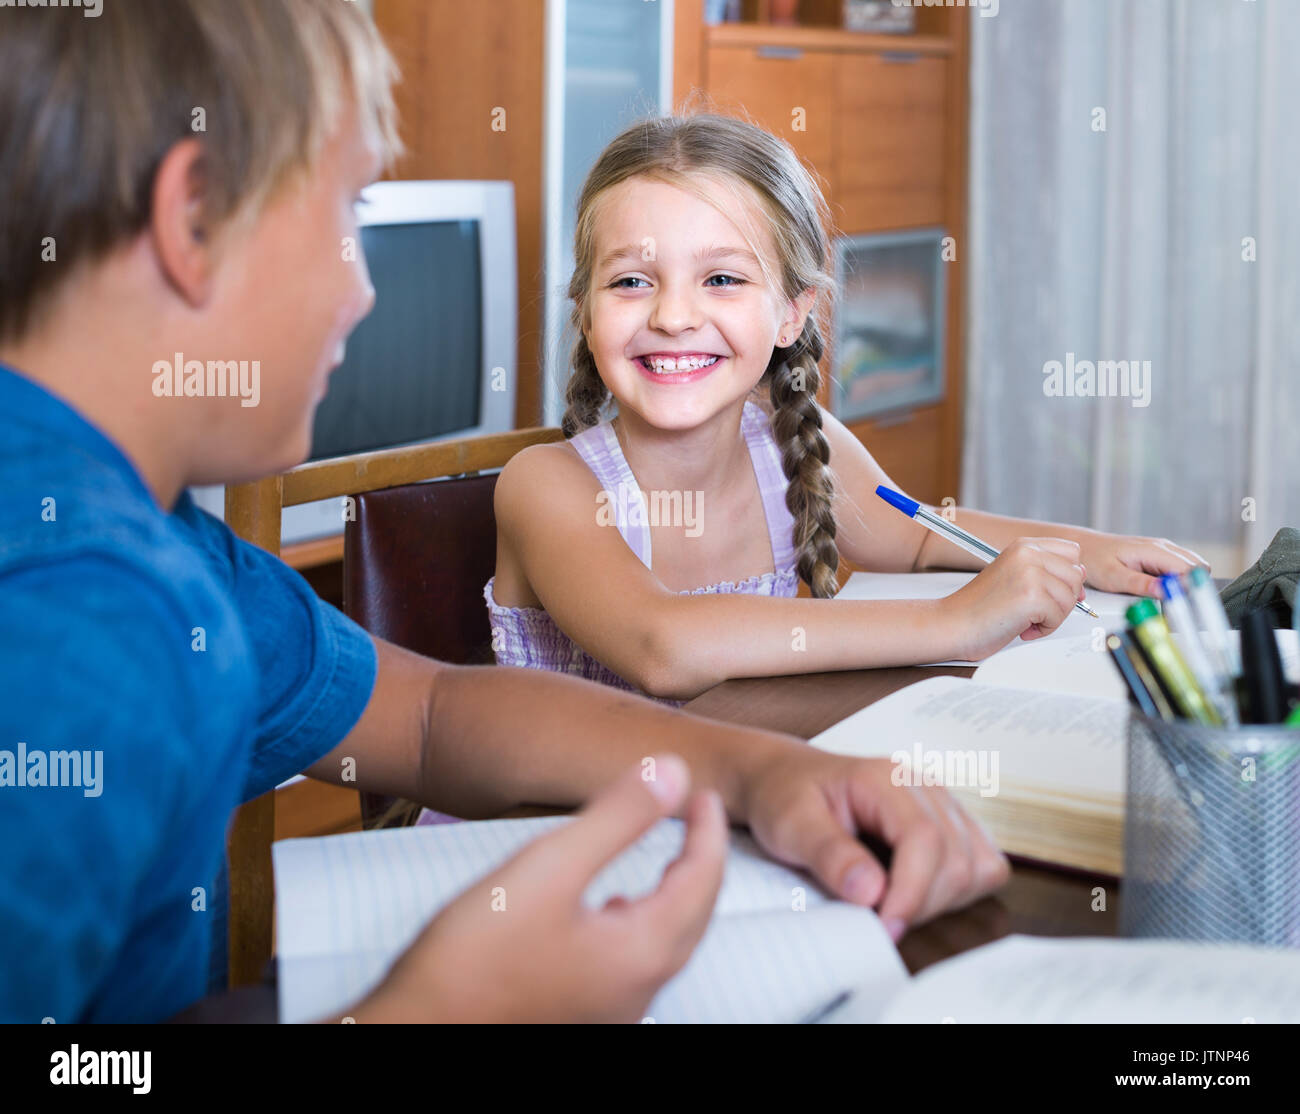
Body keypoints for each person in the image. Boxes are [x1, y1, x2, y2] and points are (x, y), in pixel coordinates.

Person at [0, 0, 1007, 1024]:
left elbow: (434, 715)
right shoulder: (75, 612)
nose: (363, 295)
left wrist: (758, 773)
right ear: (194, 217)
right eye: (349, 214)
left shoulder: (153, 537)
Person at [486, 112, 1209, 702]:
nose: (675, 316)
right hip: (548, 835)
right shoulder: (546, 486)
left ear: (791, 314)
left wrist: (1088, 552)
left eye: (724, 279)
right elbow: (661, 646)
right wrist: (955, 622)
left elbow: (921, 537)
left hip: (723, 809)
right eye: (633, 282)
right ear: (585, 312)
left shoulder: (788, 441)